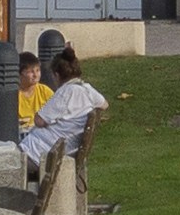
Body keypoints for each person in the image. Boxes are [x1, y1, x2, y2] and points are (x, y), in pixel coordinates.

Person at [10, 37, 107, 191]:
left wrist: (56, 119)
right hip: (57, 149)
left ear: (56, 75)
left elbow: (39, 120)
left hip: (36, 153)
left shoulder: (65, 92)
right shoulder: (86, 88)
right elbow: (104, 104)